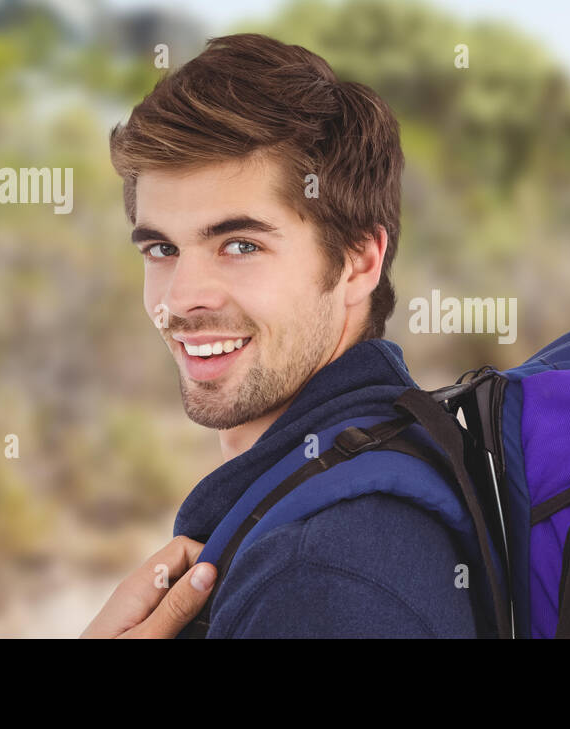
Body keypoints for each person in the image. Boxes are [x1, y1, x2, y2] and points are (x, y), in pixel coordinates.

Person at [82, 33, 480, 638]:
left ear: (358, 261)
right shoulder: (371, 470)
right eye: (161, 248)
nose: (181, 298)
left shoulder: (319, 576)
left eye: (240, 245)